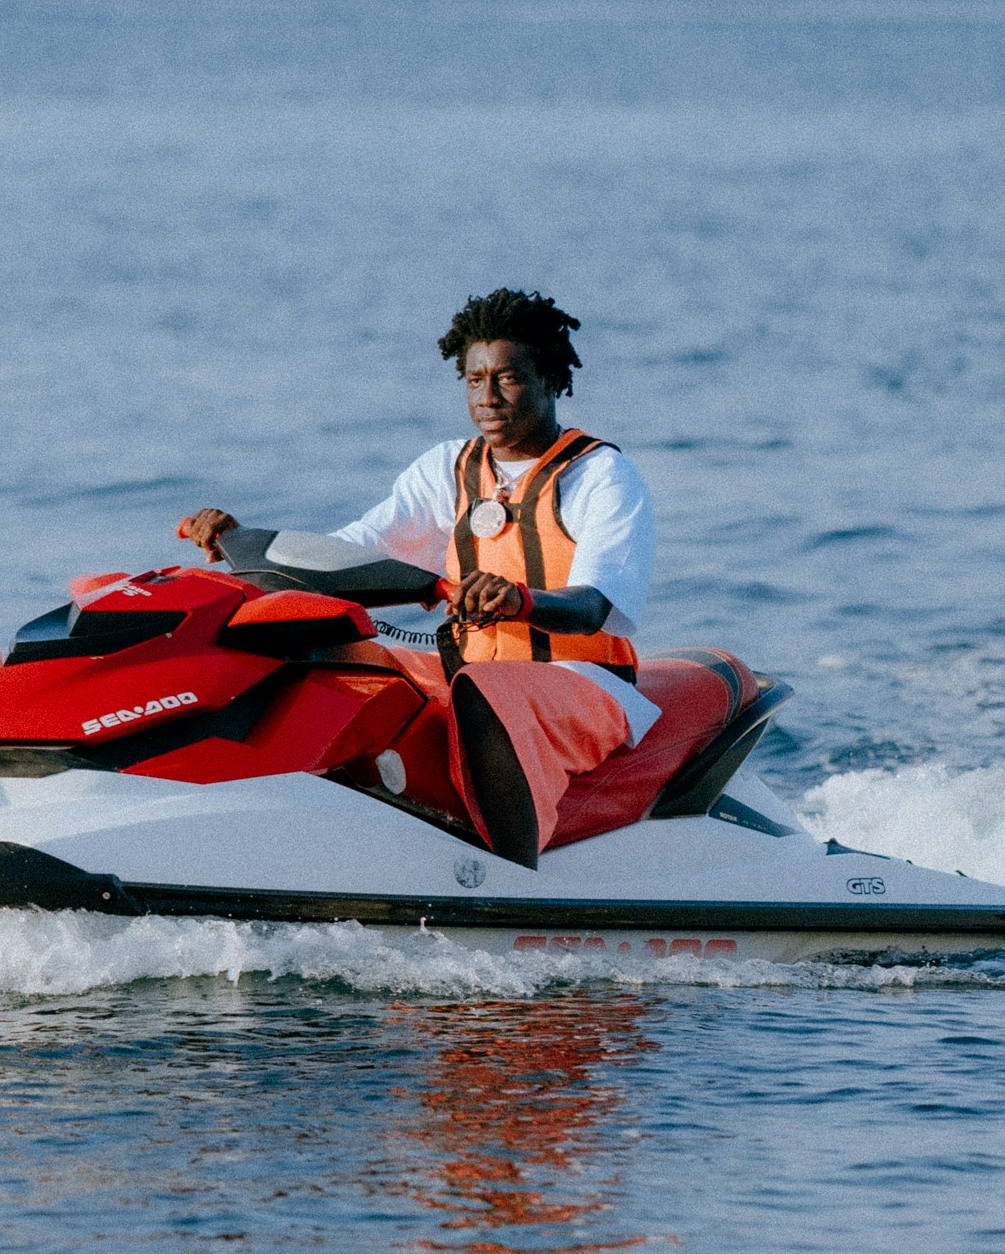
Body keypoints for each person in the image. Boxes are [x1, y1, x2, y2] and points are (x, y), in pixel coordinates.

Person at [177, 288, 658, 868]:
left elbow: (593, 605)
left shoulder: (602, 475)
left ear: (552, 379)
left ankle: (514, 879)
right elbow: (347, 554)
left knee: (485, 692)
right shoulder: (447, 469)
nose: (488, 398)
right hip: (471, 672)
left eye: (508, 379)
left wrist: (520, 600)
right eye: (475, 380)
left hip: (584, 683)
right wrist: (240, 543)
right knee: (326, 653)